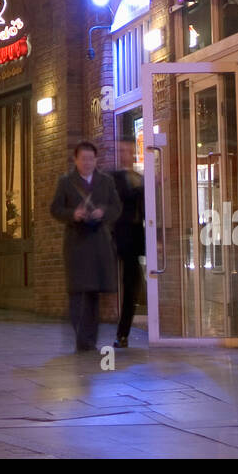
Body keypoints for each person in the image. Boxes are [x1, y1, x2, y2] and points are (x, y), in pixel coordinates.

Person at [50, 141, 121, 352]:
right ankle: (83, 339)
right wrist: (73, 214)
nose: (88, 162)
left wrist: (103, 213)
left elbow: (116, 207)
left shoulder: (105, 182)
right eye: (84, 159)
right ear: (76, 159)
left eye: (91, 158)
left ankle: (89, 340)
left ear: (96, 160)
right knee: (78, 292)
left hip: (98, 243)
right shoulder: (66, 183)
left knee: (93, 294)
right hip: (76, 243)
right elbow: (55, 209)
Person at [109, 138, 145, 348]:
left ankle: (123, 333)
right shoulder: (113, 178)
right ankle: (119, 331)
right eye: (122, 150)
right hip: (119, 236)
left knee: (132, 284)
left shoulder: (140, 178)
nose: (126, 154)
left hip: (136, 236)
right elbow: (123, 198)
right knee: (121, 282)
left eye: (129, 150)